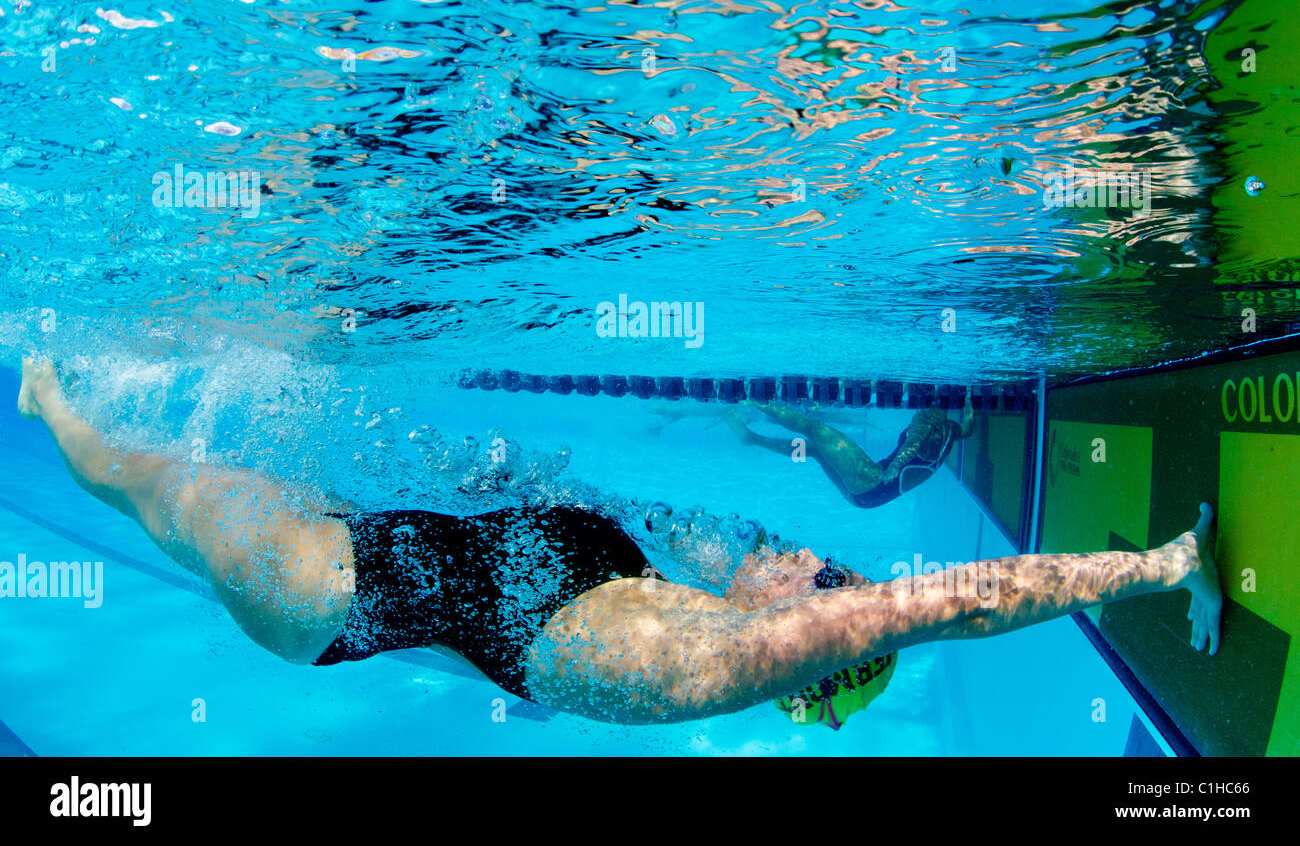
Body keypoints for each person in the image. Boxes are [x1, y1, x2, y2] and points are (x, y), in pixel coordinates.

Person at [16, 356, 1222, 726]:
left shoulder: (730, 655)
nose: (815, 563)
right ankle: (75, 411)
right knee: (161, 470)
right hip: (359, 574)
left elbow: (959, 600)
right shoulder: (688, 614)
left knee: (131, 470)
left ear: (816, 637)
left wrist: (1157, 566)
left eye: (833, 584)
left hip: (311, 578)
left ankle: (53, 403)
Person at [728, 400, 975, 508]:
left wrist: (893, 468)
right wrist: (970, 407)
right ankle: (752, 438)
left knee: (812, 428)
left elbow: (911, 446)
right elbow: (968, 428)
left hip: (871, 479)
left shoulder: (927, 422)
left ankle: (753, 401)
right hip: (863, 498)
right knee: (812, 450)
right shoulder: (950, 430)